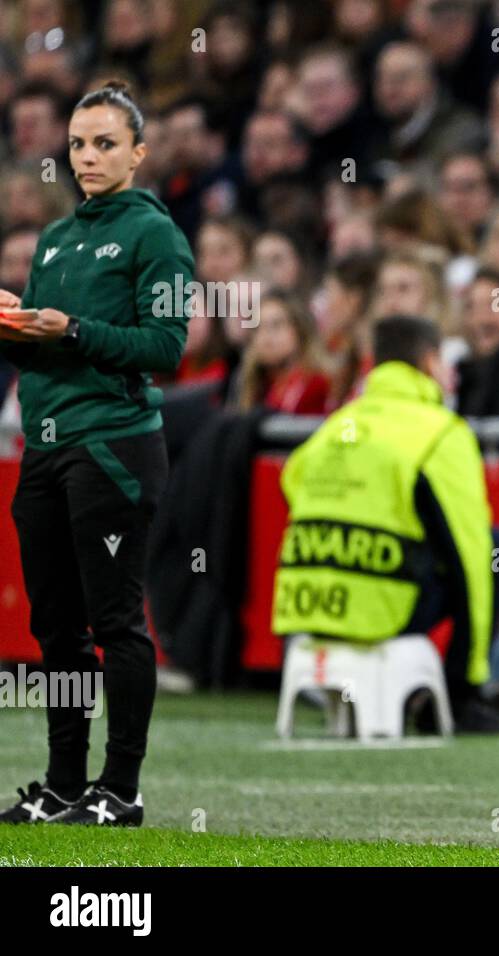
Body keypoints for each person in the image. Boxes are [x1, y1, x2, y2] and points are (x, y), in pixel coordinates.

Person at [0, 81, 194, 826]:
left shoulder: (156, 236)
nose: (87, 156)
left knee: (116, 623)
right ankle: (60, 783)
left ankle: (121, 788)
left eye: (106, 143)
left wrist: (72, 329)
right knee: (55, 629)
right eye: (78, 143)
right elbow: (44, 356)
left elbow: (168, 346)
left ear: (139, 154)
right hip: (46, 446)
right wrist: (14, 328)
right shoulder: (54, 240)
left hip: (113, 444)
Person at [271, 315, 499, 734]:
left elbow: (291, 480)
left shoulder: (336, 427)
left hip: (305, 613)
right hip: (377, 613)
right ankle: (455, 701)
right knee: (496, 547)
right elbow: (471, 557)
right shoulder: (440, 433)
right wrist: (469, 673)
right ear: (429, 362)